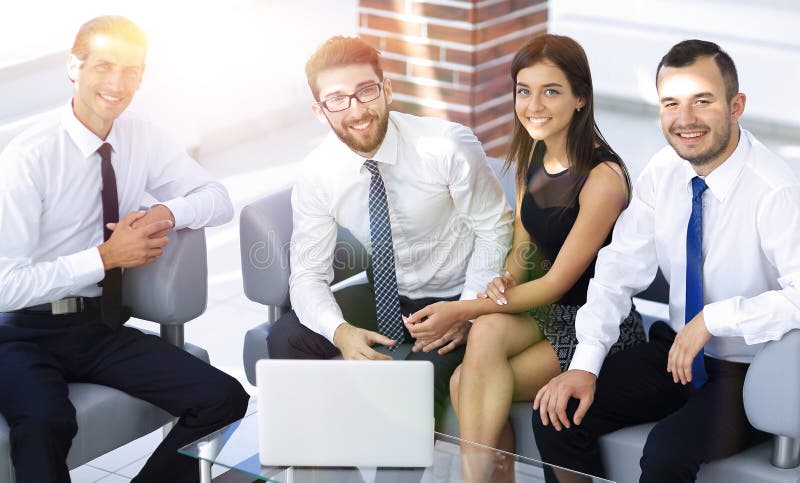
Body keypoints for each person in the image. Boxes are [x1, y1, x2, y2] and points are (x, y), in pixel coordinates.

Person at [531, 39, 800, 482]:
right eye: (670, 104)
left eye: (703, 102)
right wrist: (584, 364)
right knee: (557, 413)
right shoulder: (664, 171)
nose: (685, 120)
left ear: (736, 106)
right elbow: (617, 272)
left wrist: (715, 318)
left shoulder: (775, 191)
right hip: (676, 352)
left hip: (749, 373)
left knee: (666, 454)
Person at [0, 16, 249, 483]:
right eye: (103, 66)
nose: (117, 83)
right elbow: (4, 286)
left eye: (131, 70)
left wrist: (165, 214)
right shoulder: (27, 158)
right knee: (46, 420)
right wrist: (106, 258)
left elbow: (218, 199)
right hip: (15, 332)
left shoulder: (141, 135)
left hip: (94, 326)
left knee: (224, 397)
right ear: (73, 67)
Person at [404, 34, 646, 482]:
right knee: (490, 330)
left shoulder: (603, 179)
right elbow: (525, 239)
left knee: (464, 383)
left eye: (550, 91)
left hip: (591, 322)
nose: (533, 104)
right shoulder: (534, 150)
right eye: (524, 90)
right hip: (540, 311)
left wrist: (465, 308)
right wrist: (505, 280)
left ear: (580, 98)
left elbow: (558, 284)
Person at [266, 36, 513, 422]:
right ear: (320, 111)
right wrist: (340, 332)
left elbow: (495, 230)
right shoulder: (317, 173)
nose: (357, 109)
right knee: (285, 337)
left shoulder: (447, 146)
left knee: (407, 404)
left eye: (366, 91)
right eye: (337, 99)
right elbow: (308, 276)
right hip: (389, 296)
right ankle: (321, 466)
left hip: (457, 298)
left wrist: (465, 312)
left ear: (388, 90)